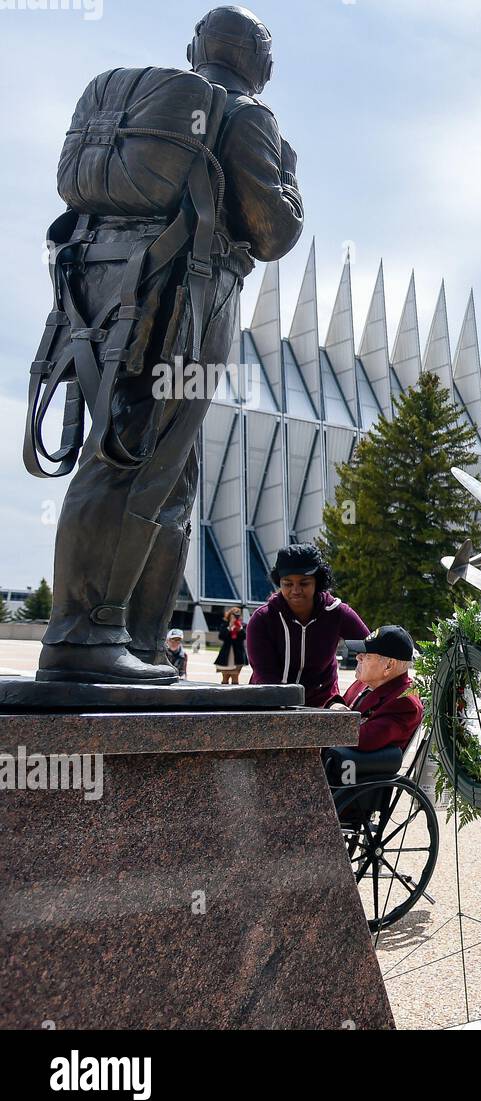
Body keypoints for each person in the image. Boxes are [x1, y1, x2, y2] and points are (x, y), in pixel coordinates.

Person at [35, 5, 303, 684]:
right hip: (183, 296)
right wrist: (289, 178)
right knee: (133, 456)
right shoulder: (245, 116)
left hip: (100, 290)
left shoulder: (154, 110)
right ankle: (85, 635)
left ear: (195, 50)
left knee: (168, 471)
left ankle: (140, 639)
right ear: (261, 64)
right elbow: (273, 233)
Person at [246, 543, 369, 707]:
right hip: (270, 703)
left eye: (304, 583)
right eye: (287, 584)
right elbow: (265, 675)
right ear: (279, 582)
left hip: (322, 703)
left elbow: (370, 648)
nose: (295, 590)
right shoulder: (262, 619)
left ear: (317, 582)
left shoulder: (337, 612)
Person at [323, 625, 424, 793]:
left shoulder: (405, 702)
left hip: (352, 784)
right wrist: (334, 705)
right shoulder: (365, 682)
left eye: (367, 655)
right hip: (334, 770)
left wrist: (333, 719)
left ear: (389, 666)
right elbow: (339, 704)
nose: (358, 657)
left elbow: (364, 739)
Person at [215, 606, 247, 684]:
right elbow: (221, 636)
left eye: (238, 616)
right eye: (233, 616)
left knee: (235, 679)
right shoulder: (225, 625)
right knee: (225, 679)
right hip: (226, 655)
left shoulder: (243, 626)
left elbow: (245, 636)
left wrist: (240, 629)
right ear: (229, 616)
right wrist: (229, 627)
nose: (235, 618)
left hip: (237, 656)